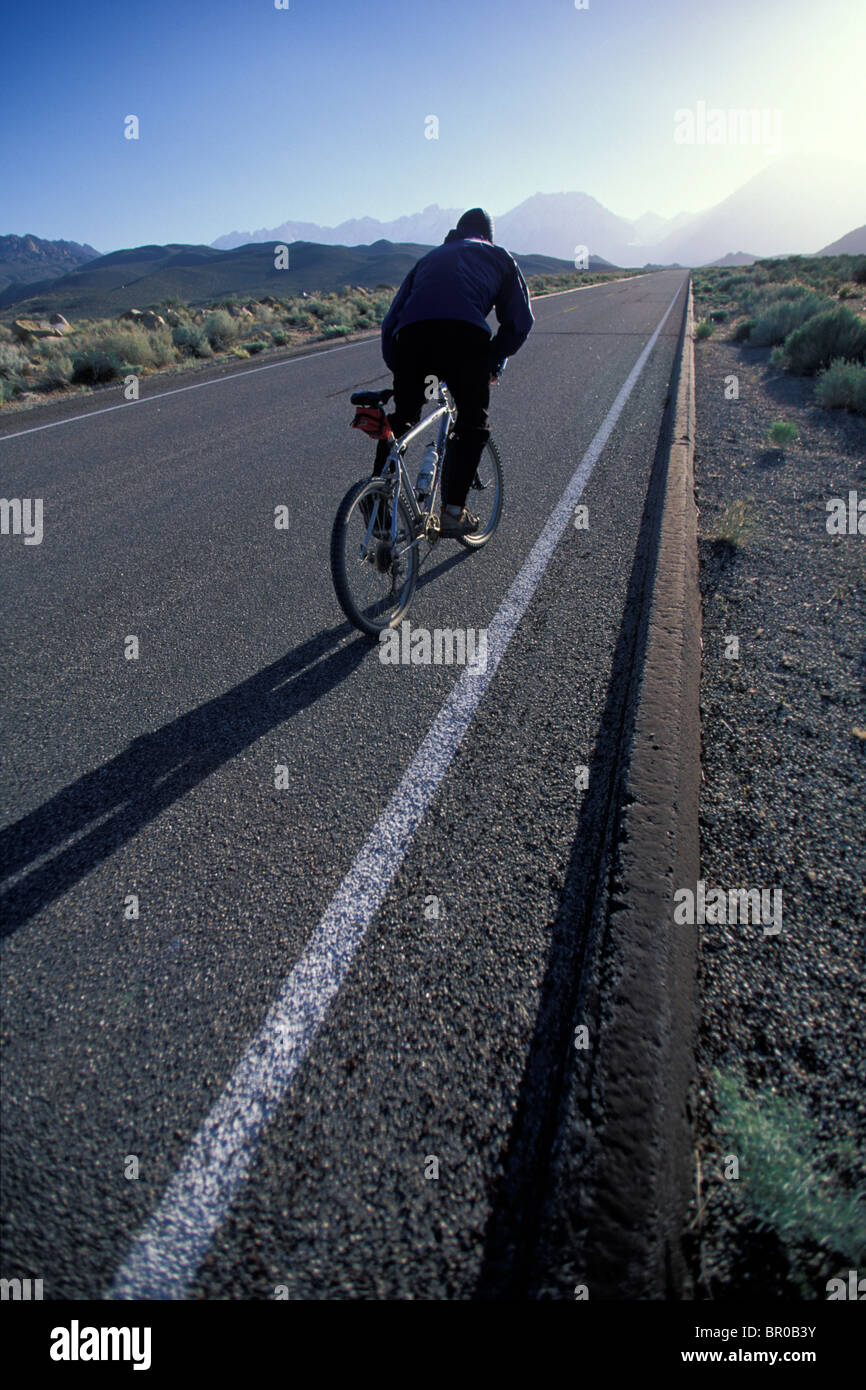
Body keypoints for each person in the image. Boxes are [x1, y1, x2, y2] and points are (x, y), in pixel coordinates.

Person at [373, 207, 534, 537]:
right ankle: (453, 512)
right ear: (487, 235)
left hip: (411, 340)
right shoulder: (499, 256)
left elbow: (391, 320)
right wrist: (493, 360)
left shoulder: (430, 258)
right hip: (464, 338)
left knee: (402, 417)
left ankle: (377, 505)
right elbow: (519, 322)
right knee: (473, 421)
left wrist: (401, 370)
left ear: (456, 232)